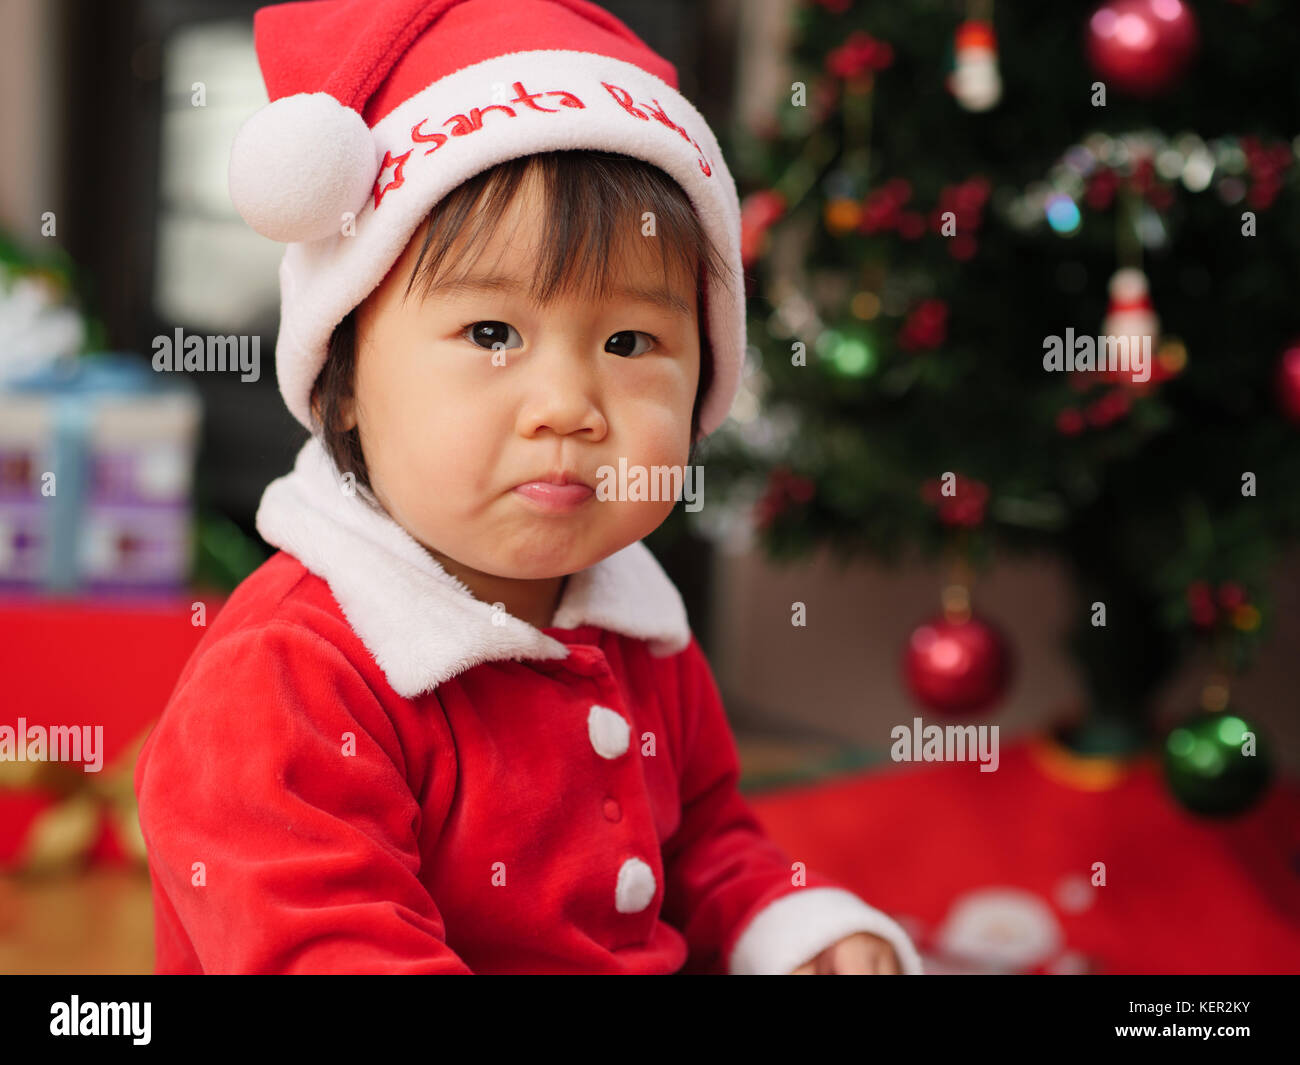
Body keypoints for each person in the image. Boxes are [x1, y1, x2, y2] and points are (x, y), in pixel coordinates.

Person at [134, 0, 924, 976]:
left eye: (629, 342)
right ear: (343, 386)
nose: (566, 408)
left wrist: (794, 930)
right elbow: (326, 948)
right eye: (492, 335)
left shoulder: (637, 632)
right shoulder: (291, 676)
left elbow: (701, 844)